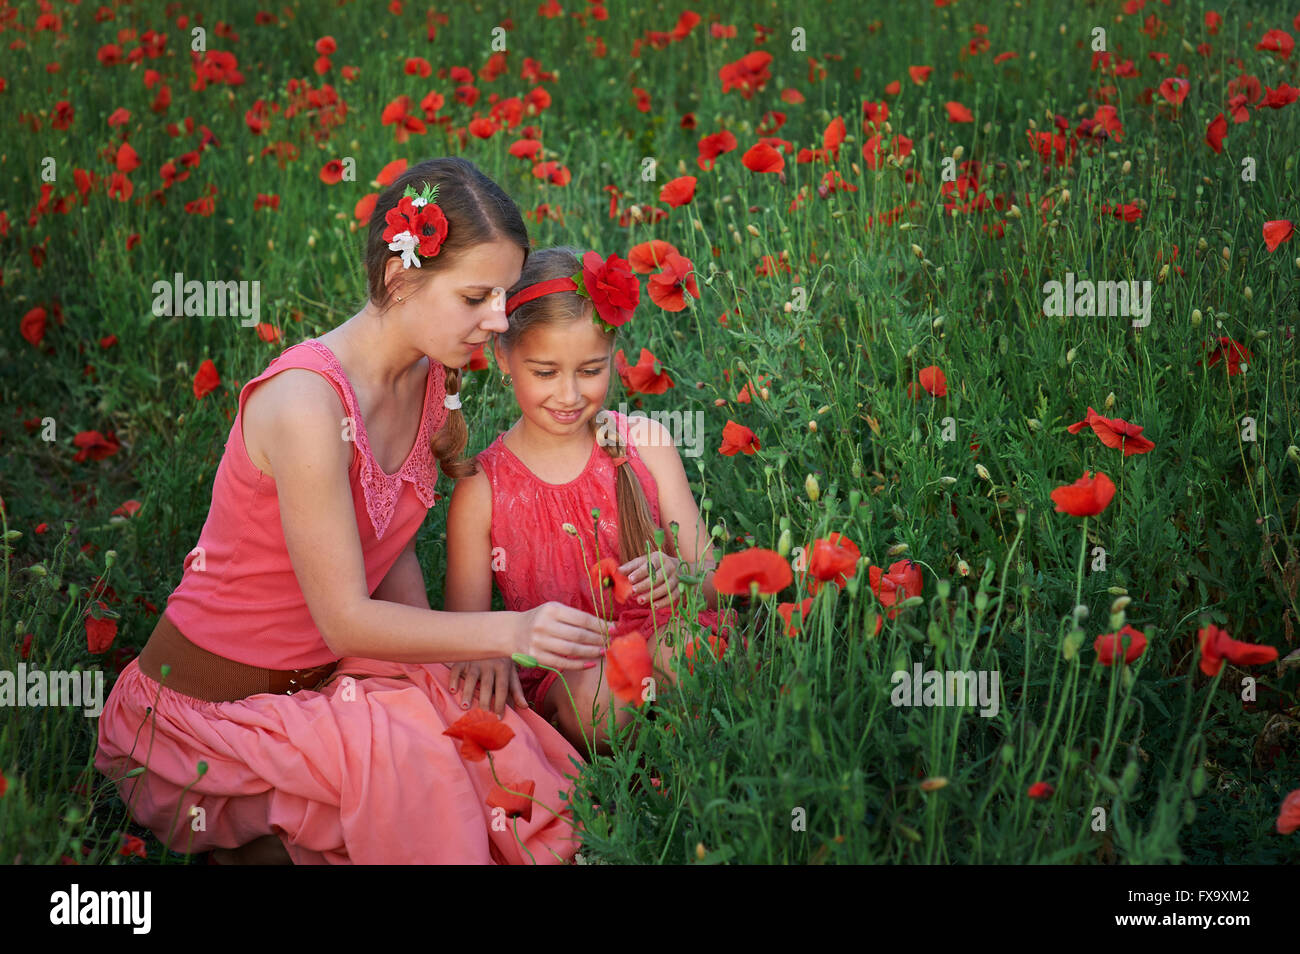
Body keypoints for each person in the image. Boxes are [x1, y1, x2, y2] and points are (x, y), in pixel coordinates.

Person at [94, 158, 610, 865]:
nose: (499, 320)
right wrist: (509, 628)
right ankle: (249, 829)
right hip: (203, 718)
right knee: (420, 782)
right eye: (476, 297)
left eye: (505, 295)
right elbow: (343, 616)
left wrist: (441, 666)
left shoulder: (428, 375)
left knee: (484, 737)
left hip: (329, 677)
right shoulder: (306, 404)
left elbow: (386, 535)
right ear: (400, 280)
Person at [444, 246, 736, 756]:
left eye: (590, 369)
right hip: (569, 666)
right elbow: (466, 628)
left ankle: (685, 765)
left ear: (612, 355)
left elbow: (716, 581)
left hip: (660, 632)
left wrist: (681, 576)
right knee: (601, 701)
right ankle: (626, 774)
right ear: (503, 358)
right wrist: (488, 652)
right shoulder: (483, 488)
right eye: (545, 372)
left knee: (687, 652)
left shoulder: (647, 444)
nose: (569, 394)